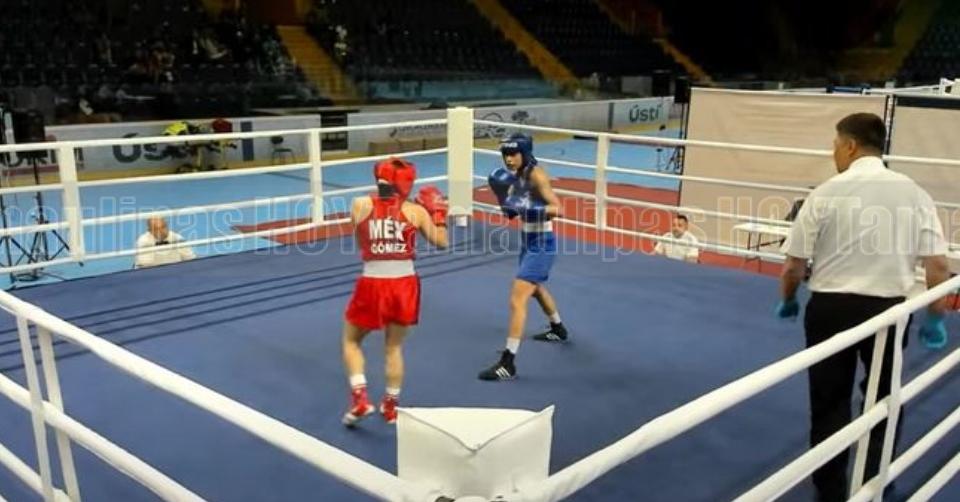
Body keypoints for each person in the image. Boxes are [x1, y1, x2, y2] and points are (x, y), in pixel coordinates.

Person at [777, 112, 951, 501]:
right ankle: (876, 477)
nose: (833, 153)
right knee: (884, 396)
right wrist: (935, 317)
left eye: (835, 145)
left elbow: (793, 266)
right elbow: (938, 267)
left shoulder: (825, 192)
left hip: (830, 309)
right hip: (888, 312)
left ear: (851, 146)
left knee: (828, 402)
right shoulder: (914, 193)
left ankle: (830, 491)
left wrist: (788, 300)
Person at [341, 158, 449, 427]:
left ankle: (359, 399)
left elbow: (360, 243)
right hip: (404, 284)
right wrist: (438, 214)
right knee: (393, 347)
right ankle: (390, 407)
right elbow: (442, 243)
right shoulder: (416, 212)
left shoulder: (359, 205)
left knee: (351, 341)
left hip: (372, 280)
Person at [478, 133, 569, 381]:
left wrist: (528, 207)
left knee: (518, 297)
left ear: (525, 153)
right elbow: (510, 213)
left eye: (513, 154)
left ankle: (508, 362)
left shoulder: (536, 174)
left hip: (542, 242)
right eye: (505, 154)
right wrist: (501, 197)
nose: (508, 159)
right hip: (528, 241)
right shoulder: (514, 176)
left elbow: (557, 208)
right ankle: (558, 328)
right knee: (535, 288)